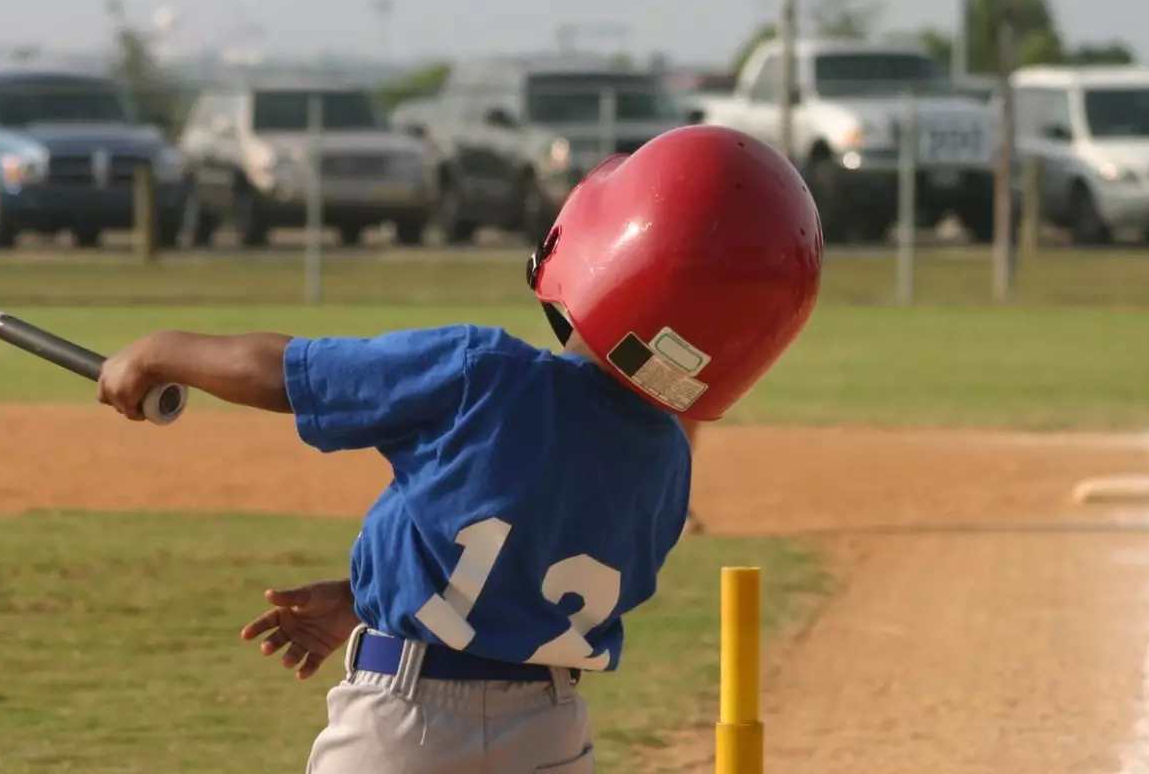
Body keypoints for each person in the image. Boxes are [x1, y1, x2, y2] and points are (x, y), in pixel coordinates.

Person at [96, 124, 823, 774]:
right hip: (551, 732)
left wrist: (165, 351)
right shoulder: (667, 462)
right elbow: (530, 566)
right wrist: (367, 597)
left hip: (402, 725)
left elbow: (291, 375)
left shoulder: (483, 372)